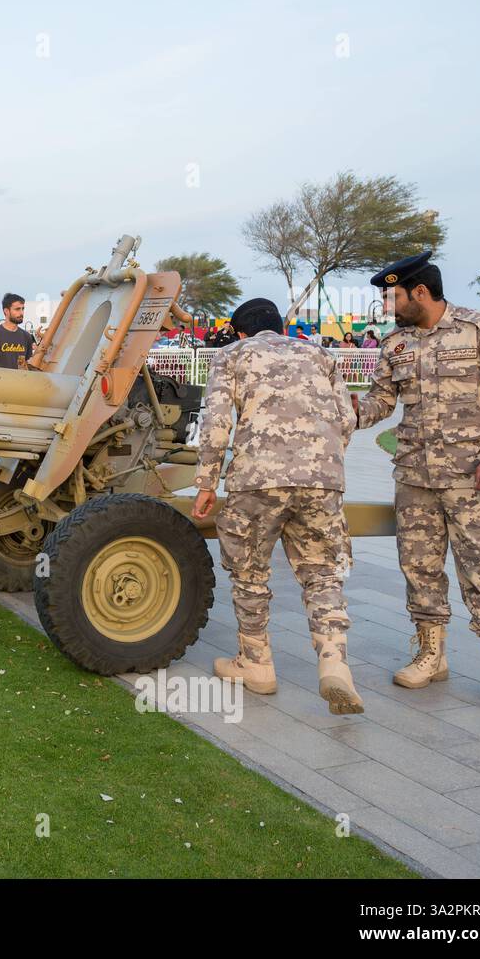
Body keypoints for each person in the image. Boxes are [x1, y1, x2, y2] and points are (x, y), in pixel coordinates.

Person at [355, 252, 480, 719]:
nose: (389, 305)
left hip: (471, 478)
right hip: (415, 477)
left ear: (419, 292)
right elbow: (379, 402)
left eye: (394, 296)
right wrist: (340, 413)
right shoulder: (394, 344)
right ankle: (430, 654)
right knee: (419, 570)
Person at [193, 297, 362, 714]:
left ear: (240, 331)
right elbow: (347, 419)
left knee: (250, 571)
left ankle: (257, 664)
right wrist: (323, 463)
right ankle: (334, 663)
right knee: (322, 574)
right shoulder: (320, 353)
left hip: (256, 481)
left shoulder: (232, 355)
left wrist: (206, 483)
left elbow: (215, 423)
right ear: (280, 327)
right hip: (323, 481)